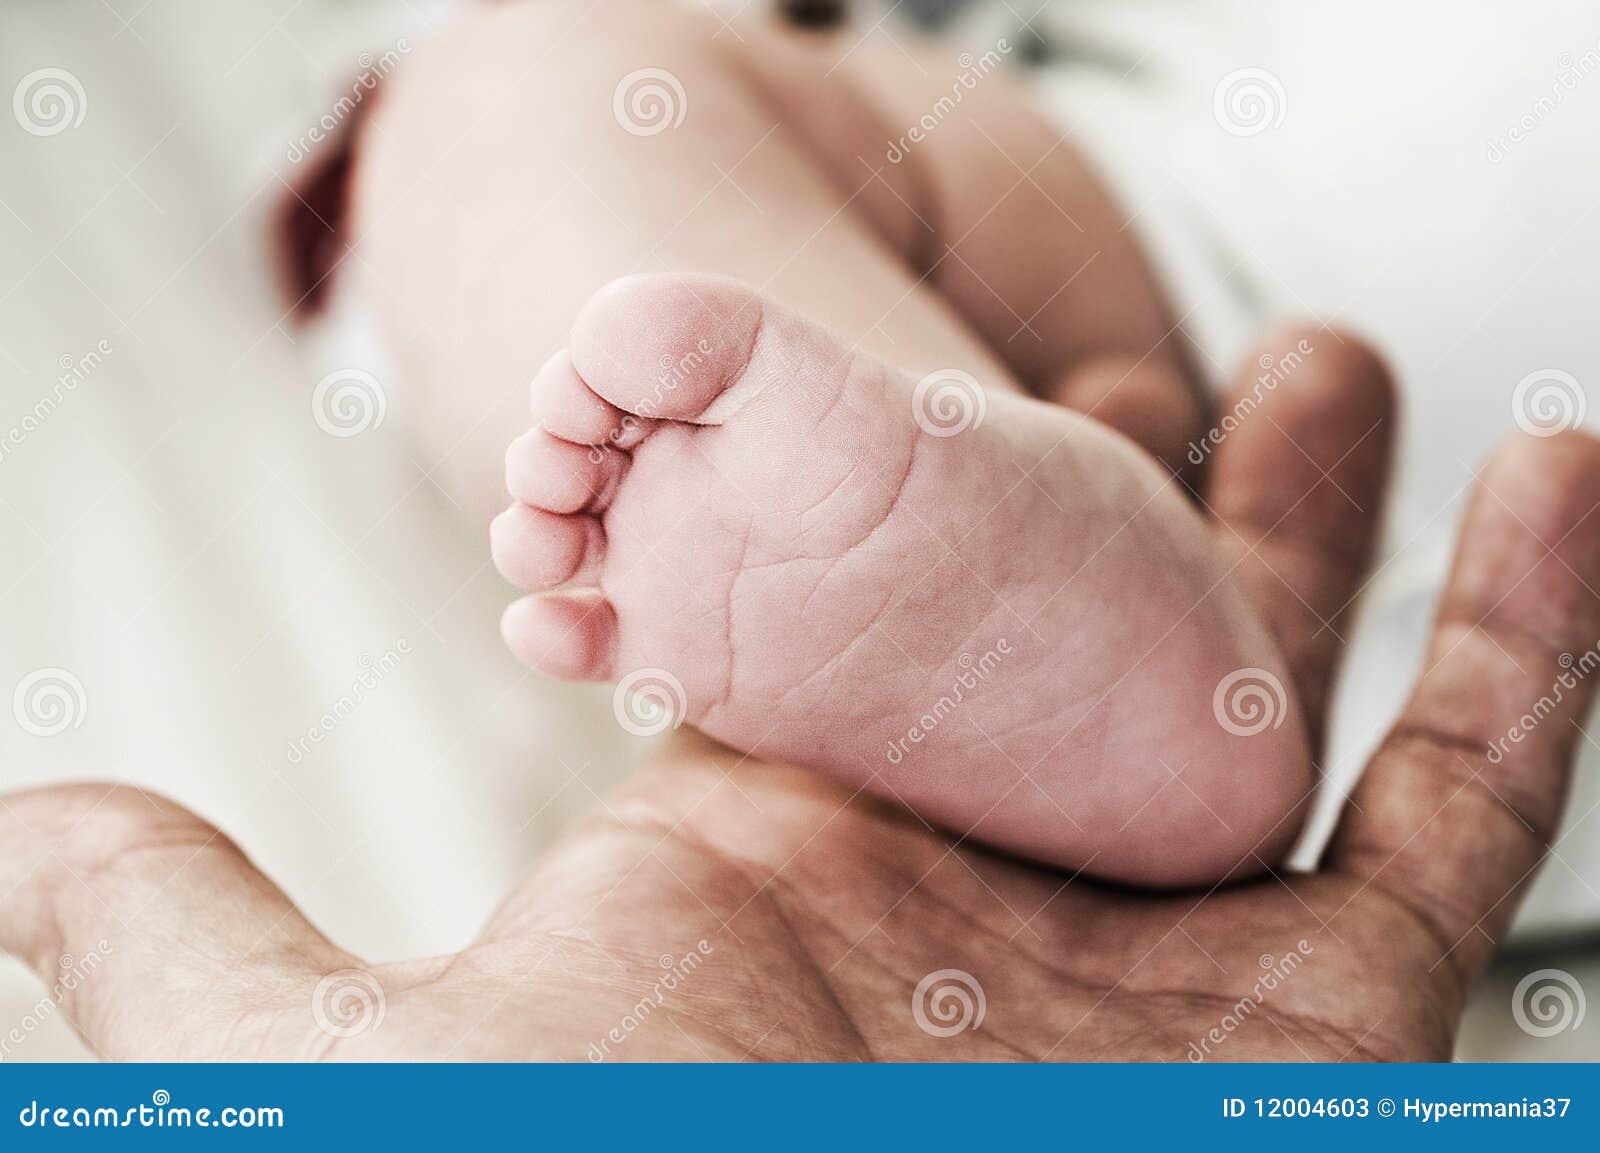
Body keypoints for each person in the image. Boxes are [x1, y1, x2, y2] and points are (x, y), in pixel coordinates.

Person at [1, 0, 1592, 1060]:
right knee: (522, 98)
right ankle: (971, 542)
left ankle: (1031, 587)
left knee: (530, 111)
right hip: (1214, 275)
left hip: (1263, 342)